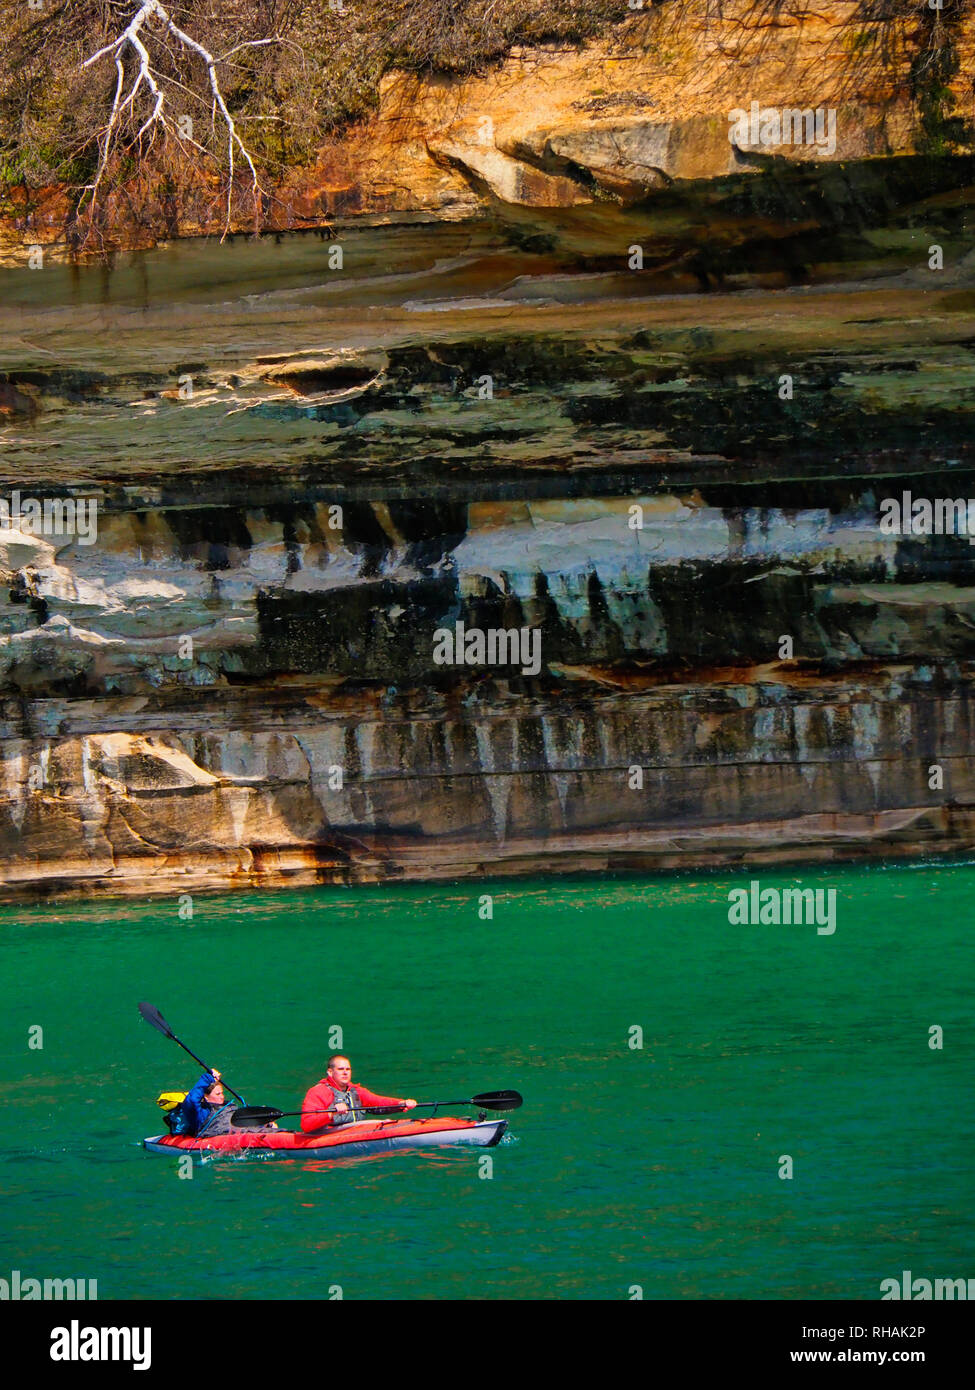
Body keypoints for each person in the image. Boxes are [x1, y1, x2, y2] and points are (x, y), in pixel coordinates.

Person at [301, 1055, 417, 1133]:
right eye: (341, 1069)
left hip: (354, 1132)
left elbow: (378, 1102)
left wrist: (402, 1103)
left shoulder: (356, 1091)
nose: (345, 1072)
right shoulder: (319, 1091)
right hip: (328, 1136)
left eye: (348, 1069)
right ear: (330, 1072)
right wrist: (331, 1114)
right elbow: (306, 1124)